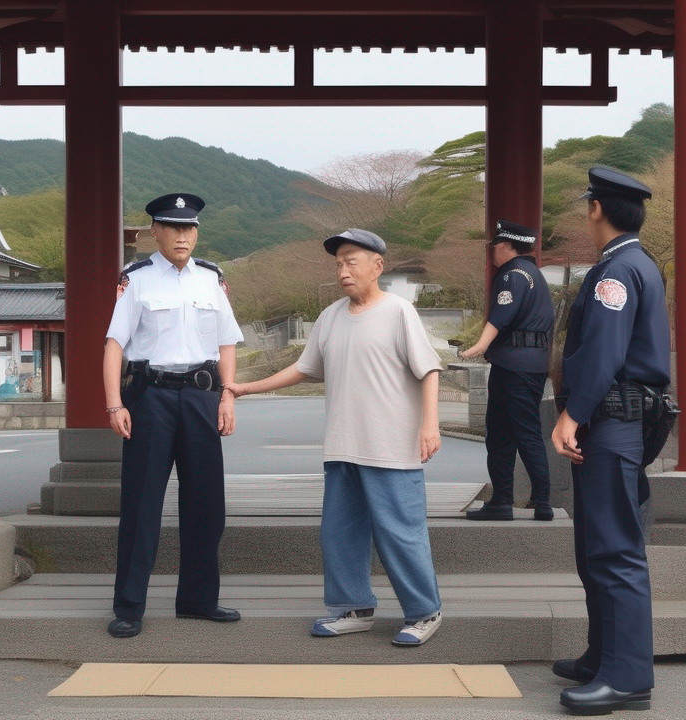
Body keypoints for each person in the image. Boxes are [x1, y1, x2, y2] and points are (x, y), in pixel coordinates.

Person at [227, 229, 445, 646]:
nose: (343, 270)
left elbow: (429, 369)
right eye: (338, 264)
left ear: (377, 266)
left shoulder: (399, 312)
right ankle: (354, 607)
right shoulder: (330, 316)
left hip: (392, 446)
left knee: (400, 532)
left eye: (351, 261)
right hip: (343, 445)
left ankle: (424, 611)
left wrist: (430, 424)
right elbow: (304, 368)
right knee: (340, 531)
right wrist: (247, 387)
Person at [549, 166, 670, 716]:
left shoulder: (615, 274)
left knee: (615, 548)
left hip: (611, 421)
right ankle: (604, 656)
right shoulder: (635, 264)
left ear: (596, 208)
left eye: (587, 205)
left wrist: (571, 415)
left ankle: (626, 678)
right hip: (619, 421)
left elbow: (601, 353)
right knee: (598, 546)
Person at [103, 192, 244, 639]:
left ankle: (199, 600)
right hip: (151, 396)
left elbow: (226, 343)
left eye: (190, 228)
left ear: (197, 232)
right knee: (141, 502)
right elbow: (114, 345)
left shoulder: (212, 278)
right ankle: (129, 606)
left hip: (202, 395)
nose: (183, 235)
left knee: (206, 502)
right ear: (155, 232)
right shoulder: (136, 279)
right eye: (173, 227)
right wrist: (114, 403)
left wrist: (227, 397)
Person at [459, 220, 555, 522]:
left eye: (494, 246)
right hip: (528, 364)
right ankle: (515, 501)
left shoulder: (512, 274)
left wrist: (478, 346)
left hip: (515, 366)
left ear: (508, 246)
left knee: (513, 433)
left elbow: (501, 316)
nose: (491, 252)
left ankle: (534, 501)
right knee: (509, 432)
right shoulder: (534, 274)